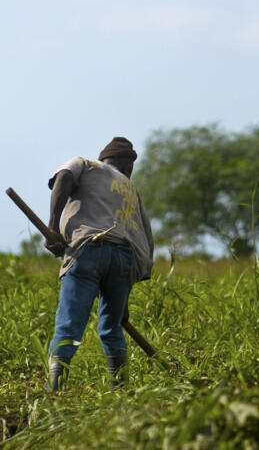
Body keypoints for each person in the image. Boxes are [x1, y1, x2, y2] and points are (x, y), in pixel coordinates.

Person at [45, 137, 154, 390]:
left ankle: (54, 392)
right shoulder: (131, 190)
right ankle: (120, 392)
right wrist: (124, 295)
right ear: (128, 166)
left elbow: (64, 176)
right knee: (112, 328)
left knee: (70, 325)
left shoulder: (85, 164)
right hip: (125, 260)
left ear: (104, 159)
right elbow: (144, 239)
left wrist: (52, 227)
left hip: (88, 250)